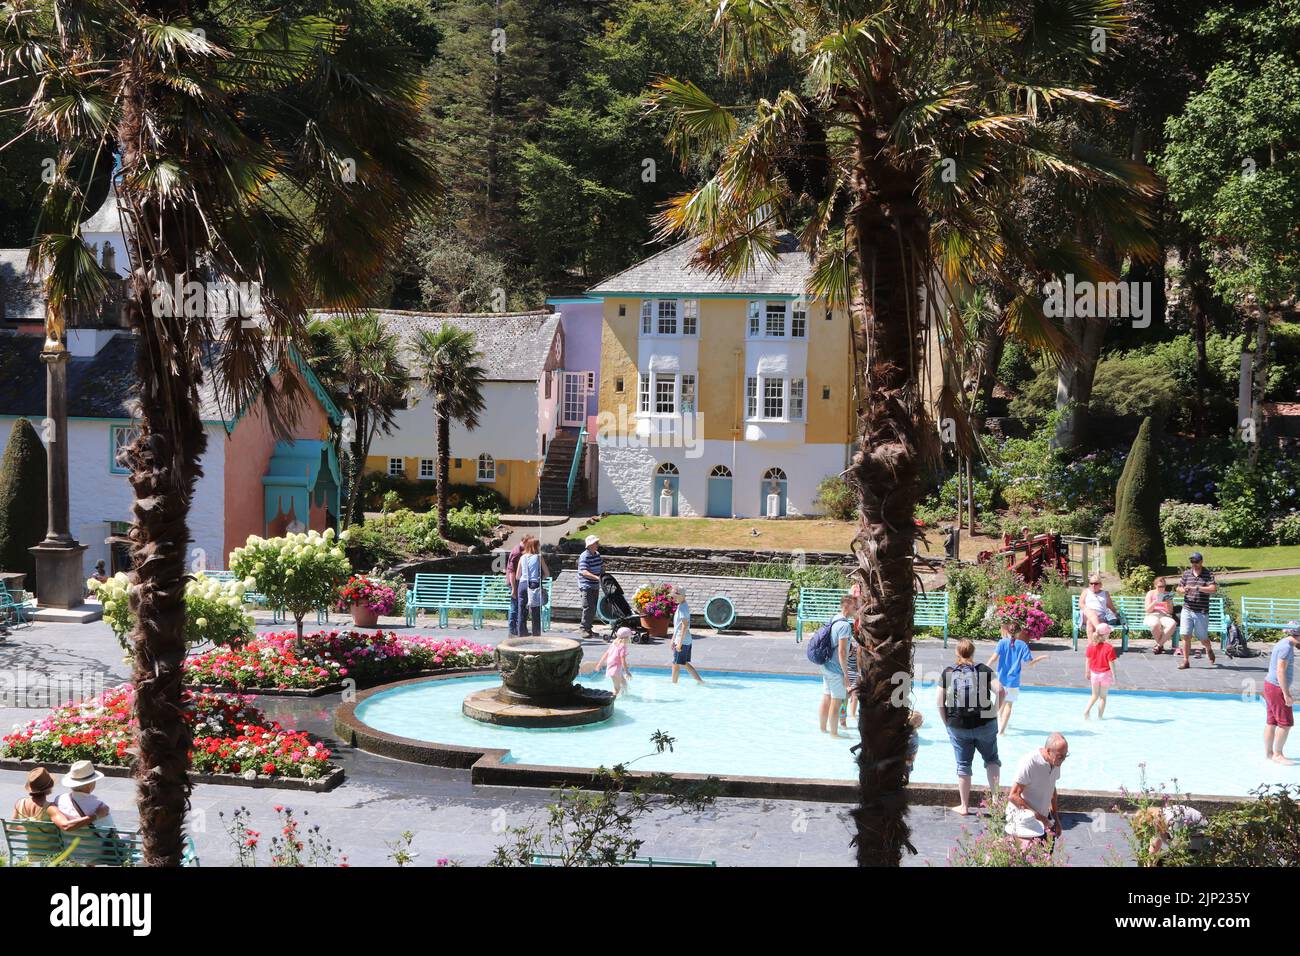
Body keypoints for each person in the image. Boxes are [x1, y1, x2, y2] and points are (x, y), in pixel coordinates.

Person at [937, 638, 1002, 814]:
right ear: (973, 652)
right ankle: (995, 800)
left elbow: (939, 703)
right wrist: (994, 712)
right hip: (985, 723)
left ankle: (964, 806)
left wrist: (947, 724)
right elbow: (1001, 691)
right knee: (991, 759)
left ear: (957, 653)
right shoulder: (983, 670)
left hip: (957, 725)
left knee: (963, 764)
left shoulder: (948, 672)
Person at [1005, 732, 1068, 845]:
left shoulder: (1056, 762)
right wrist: (1038, 817)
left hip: (1043, 819)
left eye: (1065, 755)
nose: (1063, 760)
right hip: (1024, 822)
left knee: (1045, 857)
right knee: (1022, 860)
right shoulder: (1030, 762)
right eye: (1060, 757)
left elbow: (1052, 789)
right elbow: (1013, 796)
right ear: (1048, 751)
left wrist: (1056, 819)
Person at [987, 621, 1044, 735]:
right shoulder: (1022, 645)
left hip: (1001, 679)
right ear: (1019, 633)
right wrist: (1041, 658)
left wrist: (984, 668)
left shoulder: (1002, 642)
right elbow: (1030, 662)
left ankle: (989, 725)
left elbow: (993, 658)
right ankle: (1001, 731)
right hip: (1013, 681)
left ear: (1007, 632)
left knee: (999, 702)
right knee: (1008, 704)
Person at [818, 595, 855, 738]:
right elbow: (842, 651)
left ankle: (823, 729)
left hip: (825, 665)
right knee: (837, 700)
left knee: (826, 696)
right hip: (836, 669)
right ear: (846, 606)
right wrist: (846, 675)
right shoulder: (845, 625)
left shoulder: (835, 618)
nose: (855, 609)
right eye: (854, 606)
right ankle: (834, 733)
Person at [1263, 622, 1300, 765]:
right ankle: (1278, 754)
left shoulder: (1283, 642)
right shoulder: (1286, 648)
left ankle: (1269, 754)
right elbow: (1280, 671)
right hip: (1277, 688)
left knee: (1271, 722)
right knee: (1286, 724)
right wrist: (1286, 694)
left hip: (1270, 685)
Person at [12, 768, 92, 831]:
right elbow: (66, 825)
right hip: (53, 852)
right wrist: (94, 815)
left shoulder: (20, 803)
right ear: (49, 787)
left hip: (32, 852)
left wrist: (31, 828)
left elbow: (11, 829)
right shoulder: (51, 808)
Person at [1176, 552, 1217, 669]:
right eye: (1192, 562)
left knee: (1203, 638)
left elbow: (1213, 589)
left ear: (1201, 562)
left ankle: (1208, 648)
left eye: (1196, 562)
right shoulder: (1186, 573)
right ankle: (1185, 661)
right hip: (1187, 609)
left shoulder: (1208, 573)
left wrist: (1198, 588)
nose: (1194, 564)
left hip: (1201, 611)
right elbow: (1178, 588)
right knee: (1185, 635)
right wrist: (1183, 590)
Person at [1131, 804, 1206, 864]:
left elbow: (1181, 849)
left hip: (1203, 846)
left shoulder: (1173, 820)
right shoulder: (1159, 818)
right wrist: (1149, 863)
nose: (1149, 835)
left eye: (1148, 832)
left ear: (1150, 823)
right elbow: (1153, 849)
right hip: (1190, 845)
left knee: (1164, 862)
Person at [55, 760, 115, 830]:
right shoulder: (100, 807)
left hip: (67, 840)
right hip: (94, 841)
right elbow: (109, 830)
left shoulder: (59, 800)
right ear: (89, 785)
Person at [513, 537, 550, 638]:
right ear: (535, 546)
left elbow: (517, 576)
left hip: (522, 585)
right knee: (535, 611)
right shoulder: (539, 557)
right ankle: (536, 634)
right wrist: (540, 578)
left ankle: (521, 633)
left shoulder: (522, 557)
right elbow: (547, 573)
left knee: (521, 609)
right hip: (534, 584)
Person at [1083, 622, 1118, 719]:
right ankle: (1100, 717)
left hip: (1094, 674)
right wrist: (1114, 675)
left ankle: (1086, 711)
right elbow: (1111, 663)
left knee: (1094, 695)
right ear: (1106, 635)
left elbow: (1088, 660)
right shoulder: (1109, 647)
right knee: (1102, 697)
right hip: (1105, 675)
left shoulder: (1091, 646)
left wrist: (1087, 672)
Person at [669, 586, 703, 685]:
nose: (673, 598)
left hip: (682, 640)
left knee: (678, 663)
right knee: (680, 663)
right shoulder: (681, 605)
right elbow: (677, 626)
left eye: (675, 596)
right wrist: (673, 639)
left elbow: (684, 626)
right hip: (682, 639)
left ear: (682, 596)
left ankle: (674, 684)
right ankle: (699, 681)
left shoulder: (683, 608)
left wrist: (679, 643)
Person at [576, 534, 604, 640]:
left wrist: (603, 576)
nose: (598, 544)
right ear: (591, 545)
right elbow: (584, 572)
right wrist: (597, 578)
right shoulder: (584, 556)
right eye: (596, 543)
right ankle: (583, 628)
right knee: (587, 607)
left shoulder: (597, 554)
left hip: (595, 585)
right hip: (586, 585)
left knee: (592, 608)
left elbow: (601, 567)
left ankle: (588, 629)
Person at [593, 626, 633, 697]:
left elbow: (606, 654)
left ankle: (625, 697)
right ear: (626, 638)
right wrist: (627, 672)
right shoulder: (623, 647)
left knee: (624, 683)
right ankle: (612, 700)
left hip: (614, 668)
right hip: (615, 670)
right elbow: (623, 661)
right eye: (630, 636)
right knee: (617, 688)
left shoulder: (614, 644)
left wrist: (599, 664)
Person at [1079, 573, 1120, 640]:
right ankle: (1101, 629)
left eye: (1095, 583)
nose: (1093, 585)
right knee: (1092, 613)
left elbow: (1111, 607)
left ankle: (1091, 647)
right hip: (1086, 614)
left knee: (1089, 622)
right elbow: (1081, 604)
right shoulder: (1086, 591)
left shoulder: (1105, 593)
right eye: (1091, 583)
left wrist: (1116, 614)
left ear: (1100, 585)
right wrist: (1088, 610)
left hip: (1100, 616)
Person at [1144, 575, 1177, 655]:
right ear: (1155, 585)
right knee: (1155, 624)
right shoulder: (1150, 593)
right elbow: (1147, 610)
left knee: (1172, 624)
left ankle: (1158, 645)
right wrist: (1156, 601)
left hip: (1164, 615)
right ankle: (1160, 646)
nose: (1162, 588)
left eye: (1163, 586)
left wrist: (1168, 603)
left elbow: (1170, 612)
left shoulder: (1167, 594)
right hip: (1152, 614)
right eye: (1159, 586)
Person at [504, 535, 529, 636]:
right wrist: (514, 589)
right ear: (525, 542)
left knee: (520, 606)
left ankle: (520, 629)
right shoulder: (517, 552)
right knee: (515, 606)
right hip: (514, 582)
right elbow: (511, 572)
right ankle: (512, 629)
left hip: (519, 582)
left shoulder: (522, 550)